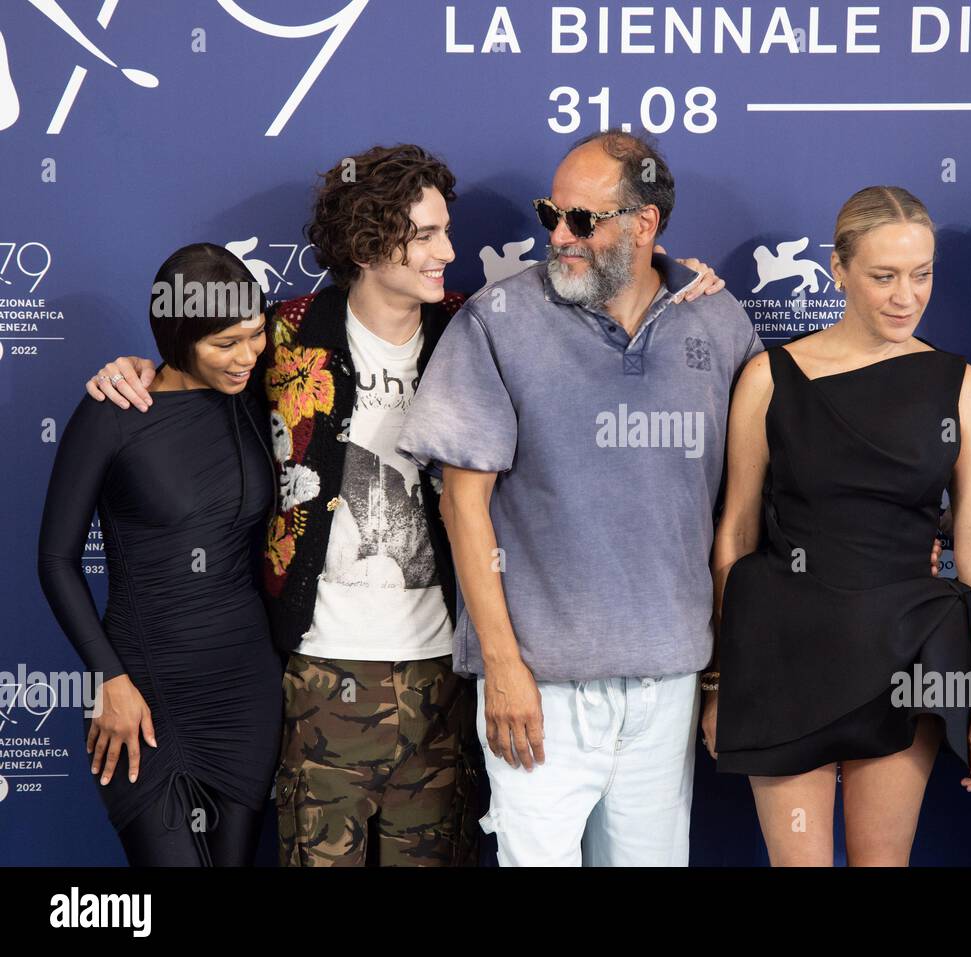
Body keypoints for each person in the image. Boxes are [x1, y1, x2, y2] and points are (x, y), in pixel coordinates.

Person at [85, 143, 728, 867]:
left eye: (444, 231)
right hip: (317, 670)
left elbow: (611, 280)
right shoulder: (285, 335)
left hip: (440, 676)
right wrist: (137, 368)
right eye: (425, 235)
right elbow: (201, 364)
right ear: (367, 241)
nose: (447, 252)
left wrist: (682, 277)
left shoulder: (476, 326)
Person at [395, 130, 758, 866]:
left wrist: (720, 676)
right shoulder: (497, 321)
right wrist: (501, 667)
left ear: (644, 225)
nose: (559, 236)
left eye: (582, 221)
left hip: (668, 682)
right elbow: (463, 506)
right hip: (540, 691)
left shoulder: (716, 320)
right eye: (550, 215)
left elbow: (747, 506)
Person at [705, 186, 971, 866]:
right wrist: (722, 681)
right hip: (780, 652)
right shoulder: (769, 378)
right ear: (838, 270)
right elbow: (735, 536)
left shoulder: (959, 387)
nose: (907, 295)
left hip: (906, 650)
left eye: (922, 273)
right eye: (884, 276)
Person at [39, 243, 280, 866]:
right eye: (224, 343)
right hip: (141, 694)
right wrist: (110, 680)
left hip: (246, 692)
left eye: (255, 335)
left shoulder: (253, 399)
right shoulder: (114, 410)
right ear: (177, 339)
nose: (246, 356)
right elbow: (57, 559)